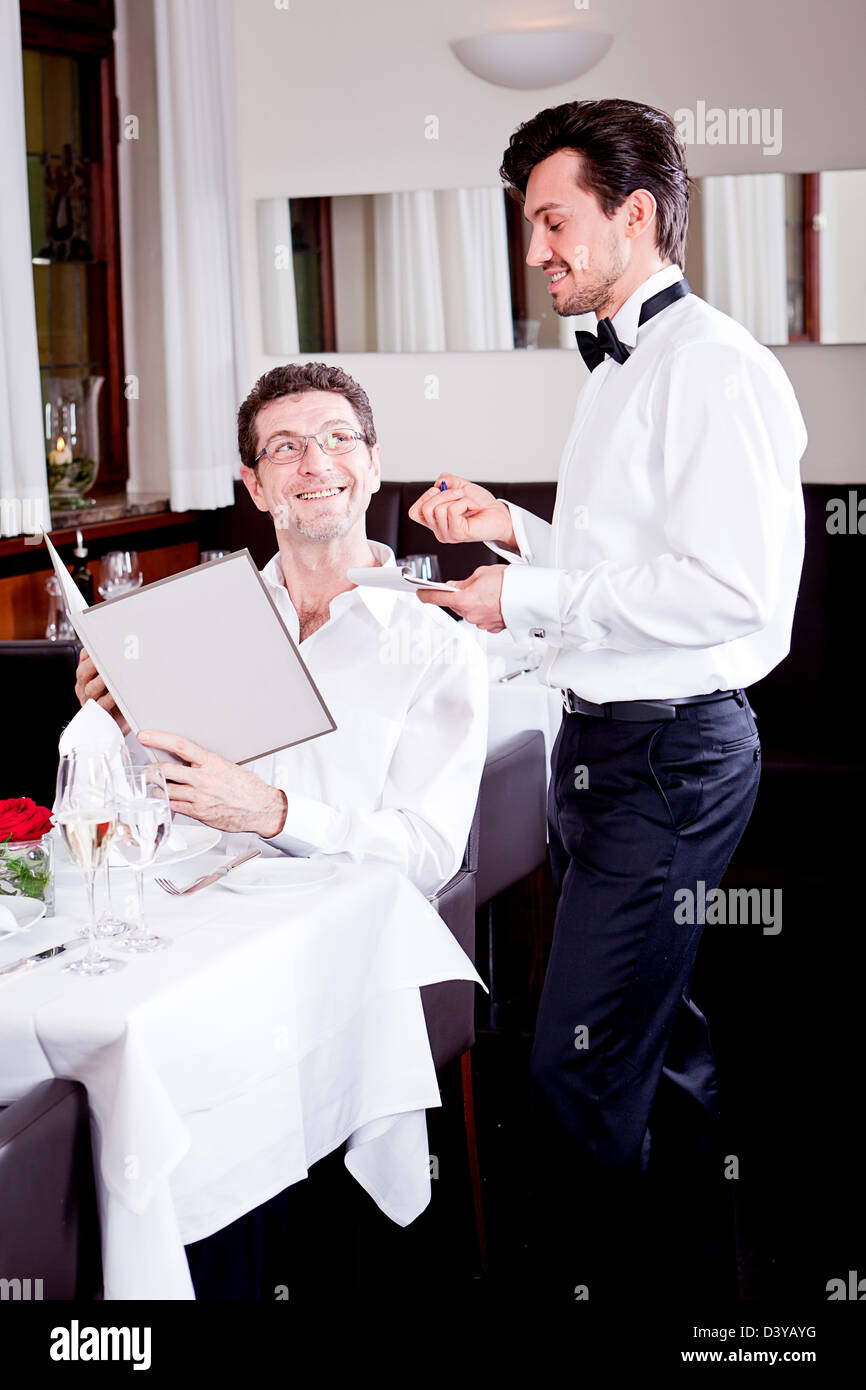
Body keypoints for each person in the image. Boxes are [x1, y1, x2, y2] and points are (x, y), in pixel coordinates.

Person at [409, 98, 807, 1301]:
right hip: (609, 754)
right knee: (655, 1040)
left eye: (551, 221)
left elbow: (727, 594)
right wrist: (514, 537)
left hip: (666, 759)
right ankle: (695, 1291)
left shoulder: (712, 368)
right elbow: (631, 562)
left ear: (633, 214)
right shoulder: (619, 367)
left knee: (572, 1070)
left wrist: (515, 601)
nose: (534, 252)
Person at [74, 362, 487, 897]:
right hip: (187, 913)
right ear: (256, 486)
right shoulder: (190, 624)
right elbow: (128, 813)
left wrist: (272, 812)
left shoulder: (440, 648)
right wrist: (113, 727)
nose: (316, 464)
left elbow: (428, 856)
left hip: (341, 929)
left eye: (339, 439)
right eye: (286, 448)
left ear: (373, 464)